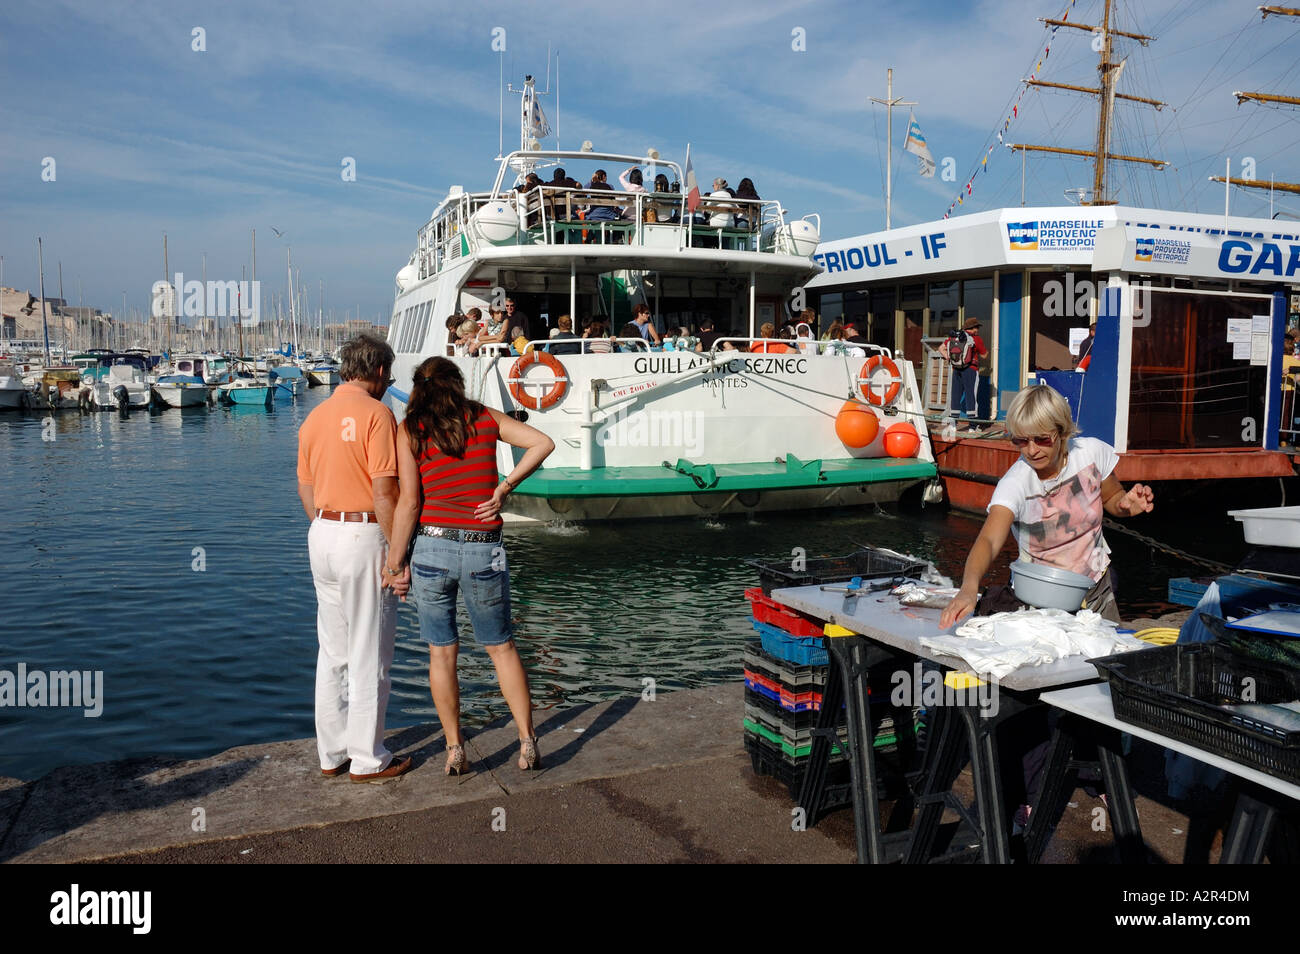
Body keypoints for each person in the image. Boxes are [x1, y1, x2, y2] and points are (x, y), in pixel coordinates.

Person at [386, 357, 556, 775]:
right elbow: (542, 442)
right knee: (501, 648)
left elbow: (409, 502)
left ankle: (455, 749)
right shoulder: (482, 417)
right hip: (485, 548)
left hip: (432, 549)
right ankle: (527, 741)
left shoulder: (409, 430)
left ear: (420, 389)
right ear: (456, 384)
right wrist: (504, 488)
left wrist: (394, 563)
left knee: (442, 654)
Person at [296, 333, 413, 783]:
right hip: (363, 534)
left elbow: (305, 488)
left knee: (334, 652)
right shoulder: (378, 414)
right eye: (389, 374)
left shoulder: (314, 417)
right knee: (370, 651)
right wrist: (396, 557)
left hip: (322, 531)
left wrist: (328, 522)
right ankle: (368, 758)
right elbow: (385, 492)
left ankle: (332, 753)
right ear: (380, 371)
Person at [939, 384, 1155, 629]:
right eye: (1021, 440)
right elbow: (988, 540)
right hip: (1041, 597)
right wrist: (969, 588)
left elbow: (1112, 497)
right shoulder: (1015, 484)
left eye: (1042, 439)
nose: (1031, 450)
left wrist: (1126, 505)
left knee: (1101, 662)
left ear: (1061, 431)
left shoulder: (1091, 453)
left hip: (1095, 587)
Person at [948, 317, 988, 428]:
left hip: (956, 370)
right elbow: (984, 355)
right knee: (971, 396)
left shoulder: (955, 337)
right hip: (970, 370)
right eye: (977, 327)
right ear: (973, 328)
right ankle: (972, 427)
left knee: (955, 397)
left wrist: (950, 359)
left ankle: (953, 426)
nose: (978, 330)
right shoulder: (975, 338)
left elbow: (942, 348)